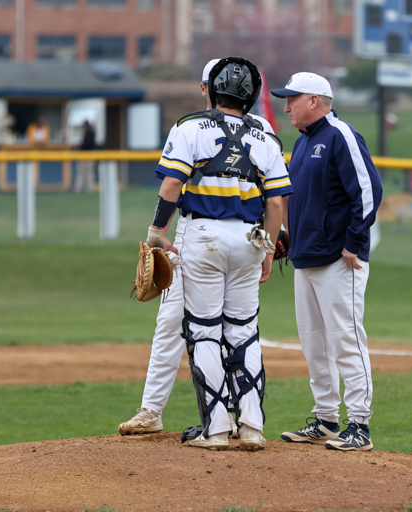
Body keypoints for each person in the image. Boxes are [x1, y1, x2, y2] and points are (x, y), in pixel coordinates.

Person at [117, 58, 278, 440]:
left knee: (198, 329)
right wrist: (270, 245)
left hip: (200, 235)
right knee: (239, 330)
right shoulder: (265, 131)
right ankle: (245, 422)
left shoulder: (190, 127)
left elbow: (172, 184)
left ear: (212, 89)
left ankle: (217, 425)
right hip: (249, 238)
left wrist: (156, 232)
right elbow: (275, 200)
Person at [271, 73, 382, 452]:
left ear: (315, 100)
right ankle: (326, 420)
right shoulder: (302, 145)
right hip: (307, 259)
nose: (286, 107)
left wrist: (354, 241)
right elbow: (294, 199)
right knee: (314, 345)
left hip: (339, 260)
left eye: (292, 99)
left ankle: (360, 427)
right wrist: (285, 236)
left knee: (346, 341)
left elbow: (368, 190)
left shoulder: (339, 135)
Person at [73, 120, 97, 193]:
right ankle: (87, 188)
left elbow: (86, 145)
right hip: (88, 155)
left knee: (84, 173)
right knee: (86, 173)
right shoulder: (90, 133)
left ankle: (79, 189)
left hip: (86, 155)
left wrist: (78, 148)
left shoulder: (89, 133)